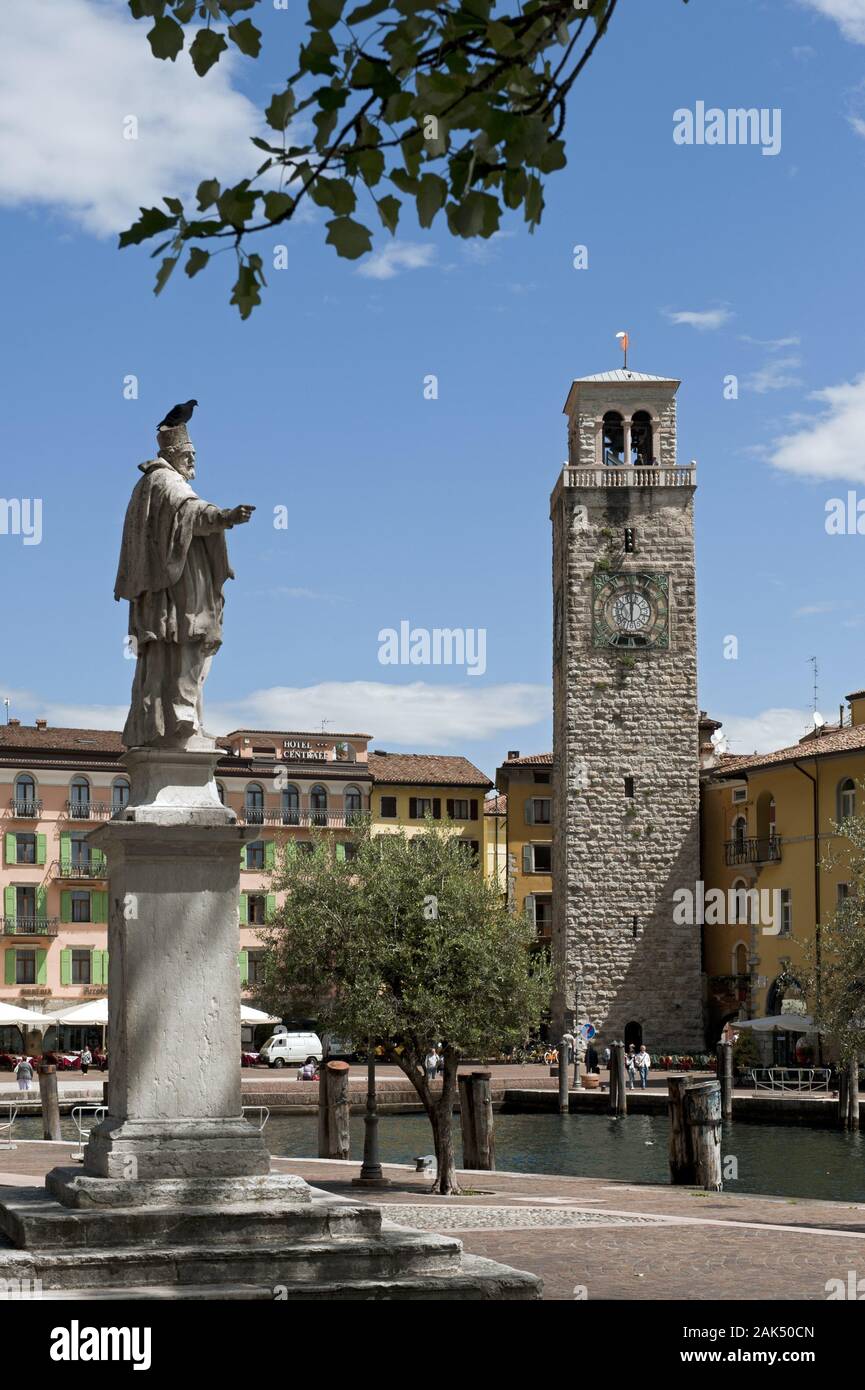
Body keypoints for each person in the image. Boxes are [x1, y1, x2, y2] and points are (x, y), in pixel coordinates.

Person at [114, 417, 255, 748]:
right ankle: (182, 715)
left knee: (173, 648)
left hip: (166, 586)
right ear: (173, 453)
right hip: (179, 586)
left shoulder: (149, 484)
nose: (193, 461)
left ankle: (174, 717)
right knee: (188, 639)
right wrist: (226, 517)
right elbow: (192, 511)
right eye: (188, 454)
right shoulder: (165, 482)